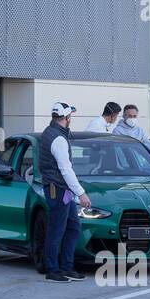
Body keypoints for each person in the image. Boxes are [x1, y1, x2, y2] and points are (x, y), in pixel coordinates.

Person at [36, 102, 90, 283]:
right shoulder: (58, 139)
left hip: (60, 189)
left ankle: (66, 267)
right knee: (56, 230)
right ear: (67, 118)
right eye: (70, 116)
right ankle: (53, 270)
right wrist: (81, 193)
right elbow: (66, 169)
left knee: (72, 227)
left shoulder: (48, 133)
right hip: (58, 189)